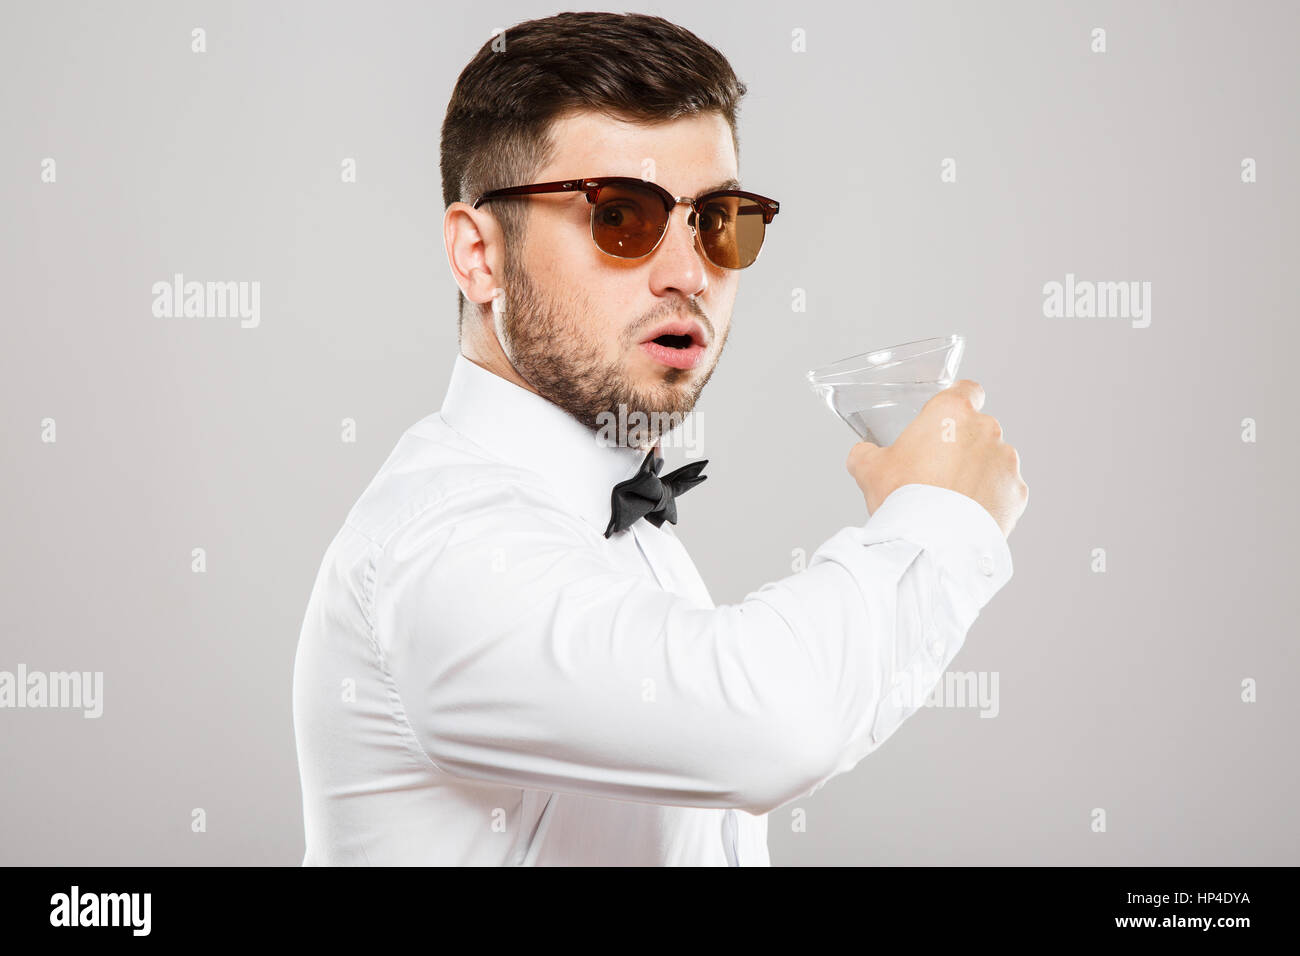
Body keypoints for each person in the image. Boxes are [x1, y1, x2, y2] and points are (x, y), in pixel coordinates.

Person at [292, 11, 1028, 866]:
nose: (688, 273)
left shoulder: (617, 521)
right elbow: (775, 723)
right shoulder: (449, 548)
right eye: (621, 217)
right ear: (479, 255)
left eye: (720, 220)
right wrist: (939, 515)